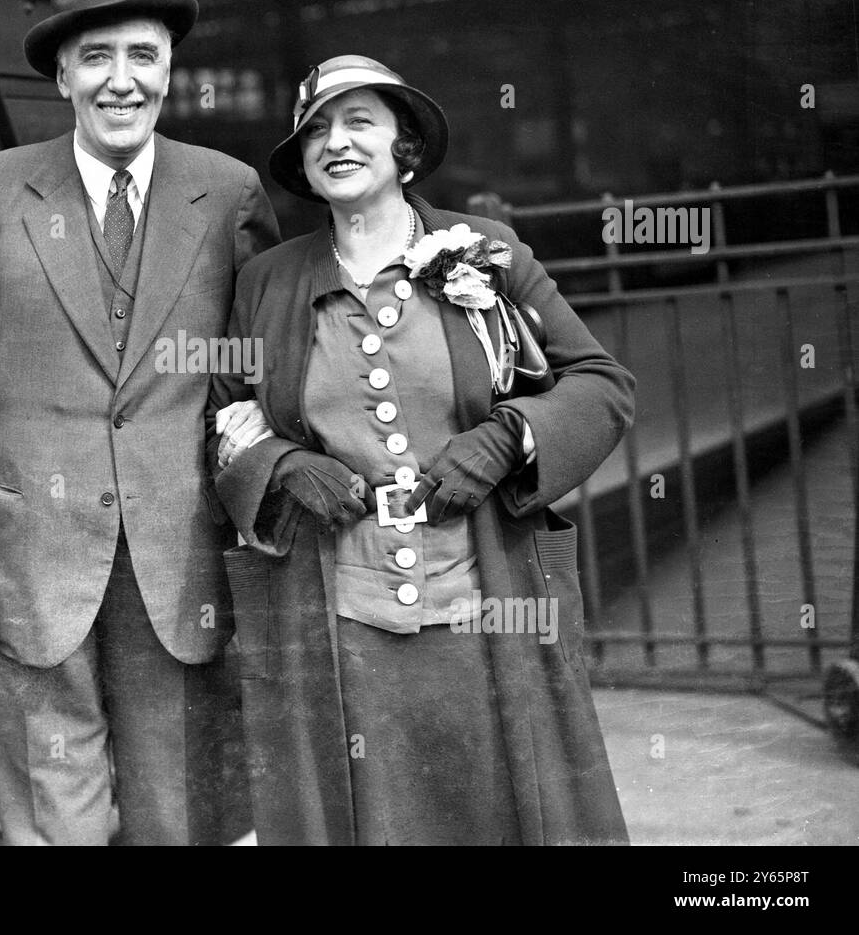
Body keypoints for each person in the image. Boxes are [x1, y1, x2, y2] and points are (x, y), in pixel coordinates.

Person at [209, 55, 634, 845]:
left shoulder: (488, 252)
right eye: (316, 132)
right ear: (303, 162)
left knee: (505, 808)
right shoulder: (267, 282)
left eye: (358, 122)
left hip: (483, 594)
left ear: (404, 145)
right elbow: (222, 413)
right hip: (339, 611)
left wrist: (508, 439)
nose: (335, 142)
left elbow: (602, 384)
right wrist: (283, 467)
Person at [0, 0, 278, 845]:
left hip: (181, 554)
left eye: (144, 56)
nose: (124, 80)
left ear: (168, 70)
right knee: (49, 809)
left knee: (182, 808)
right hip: (29, 557)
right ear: (65, 74)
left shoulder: (227, 191)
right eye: (100, 57)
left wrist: (261, 432)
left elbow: (264, 360)